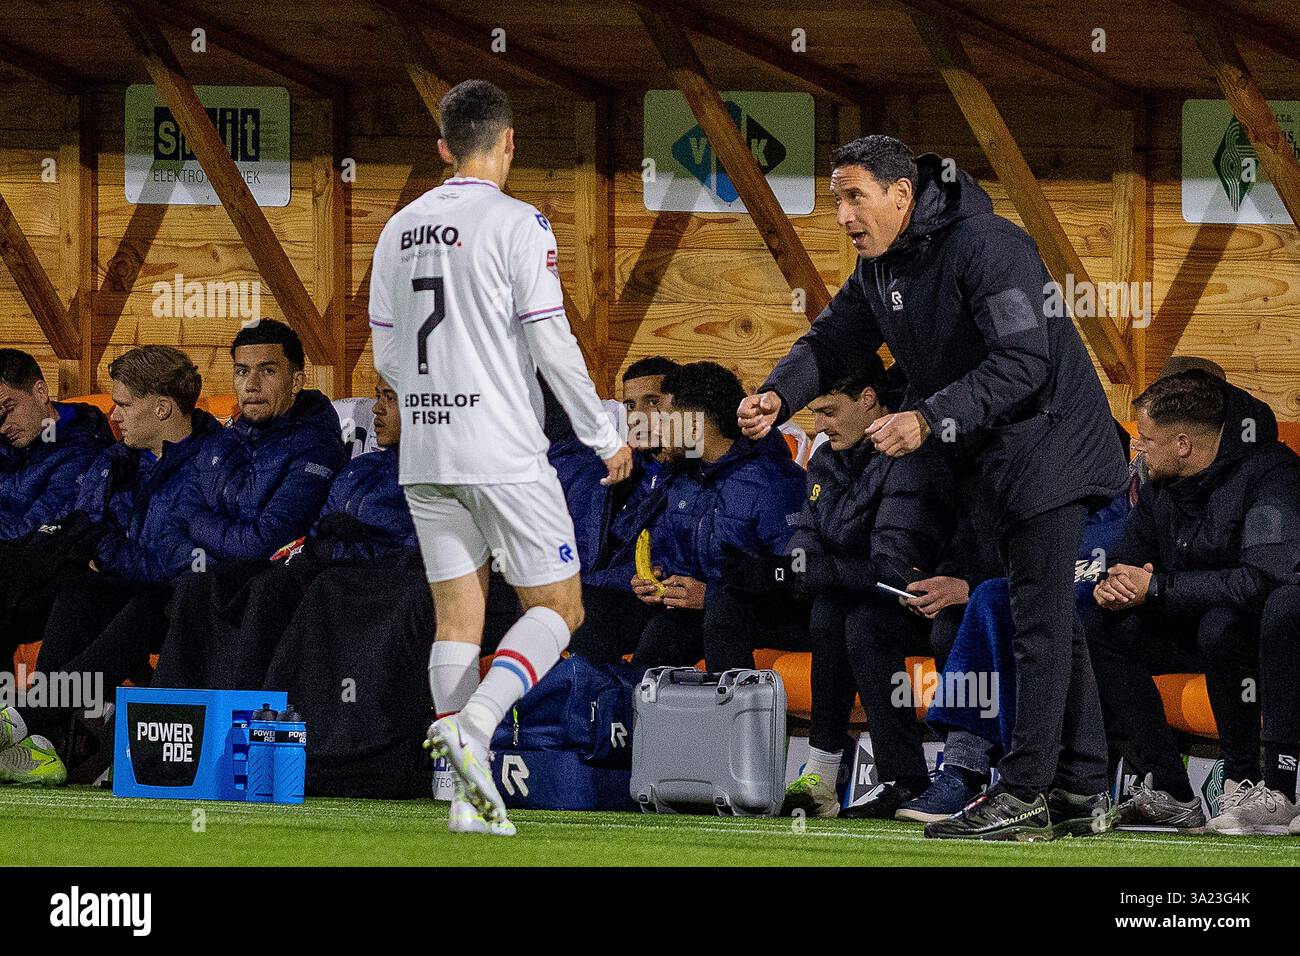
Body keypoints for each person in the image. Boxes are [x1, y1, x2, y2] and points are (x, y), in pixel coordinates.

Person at [738, 134, 1129, 841]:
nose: (843, 215)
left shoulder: (989, 245)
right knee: (1044, 620)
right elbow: (828, 345)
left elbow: (1024, 362)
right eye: (836, 201)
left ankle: (1026, 794)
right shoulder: (879, 267)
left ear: (901, 194)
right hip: (992, 461)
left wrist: (927, 417)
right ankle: (1080, 786)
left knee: (1036, 624)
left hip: (1051, 448)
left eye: (855, 197)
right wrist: (777, 394)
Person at [368, 79, 631, 836]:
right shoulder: (521, 223)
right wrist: (601, 433)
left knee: (459, 618)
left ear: (444, 146)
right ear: (508, 142)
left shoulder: (397, 227)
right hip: (504, 450)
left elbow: (388, 350)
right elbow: (551, 337)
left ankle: (462, 795)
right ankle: (475, 726)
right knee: (560, 607)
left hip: (425, 452)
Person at [729, 355, 959, 819]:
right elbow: (807, 541)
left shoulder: (910, 460)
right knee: (826, 609)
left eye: (829, 412)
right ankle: (825, 776)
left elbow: (897, 568)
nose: (820, 425)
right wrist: (795, 569)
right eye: (814, 413)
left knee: (852, 616)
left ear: (869, 401)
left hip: (926, 603)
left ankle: (886, 776)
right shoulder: (826, 461)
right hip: (856, 595)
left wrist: (821, 571)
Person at [1086, 370, 1300, 833]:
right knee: (1096, 622)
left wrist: (1158, 589)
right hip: (1192, 620)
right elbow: (1126, 557)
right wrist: (1113, 585)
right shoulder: (1161, 486)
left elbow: (1265, 582)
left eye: (1145, 439)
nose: (1136, 449)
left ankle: (1251, 783)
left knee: (1222, 624)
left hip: (1260, 632)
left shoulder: (1270, 473)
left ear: (1183, 444)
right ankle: (1171, 791)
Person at [0, 346, 217, 784]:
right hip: (128, 578)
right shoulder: (121, 460)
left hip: (183, 589)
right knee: (76, 594)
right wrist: (98, 549)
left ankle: (28, 721)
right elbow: (92, 525)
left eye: (122, 405)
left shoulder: (213, 460)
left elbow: (180, 552)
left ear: (160, 408)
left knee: (130, 603)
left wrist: (106, 550)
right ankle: (45, 742)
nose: (113, 418)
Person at [151, 377, 417, 690]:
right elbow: (319, 527)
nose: (377, 409)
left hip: (368, 584)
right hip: (314, 565)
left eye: (388, 398)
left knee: (270, 589)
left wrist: (334, 552)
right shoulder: (361, 467)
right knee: (203, 584)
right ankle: (172, 711)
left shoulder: (429, 481)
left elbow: (411, 551)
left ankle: (251, 710)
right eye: (377, 396)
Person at [568, 361, 807, 670]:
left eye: (666, 418)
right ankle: (600, 706)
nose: (650, 426)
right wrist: (655, 578)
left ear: (693, 427)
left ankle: (734, 712)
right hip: (689, 611)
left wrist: (710, 594)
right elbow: (673, 555)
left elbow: (795, 579)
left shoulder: (773, 482)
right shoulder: (682, 477)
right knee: (583, 605)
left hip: (759, 614)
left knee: (706, 618)